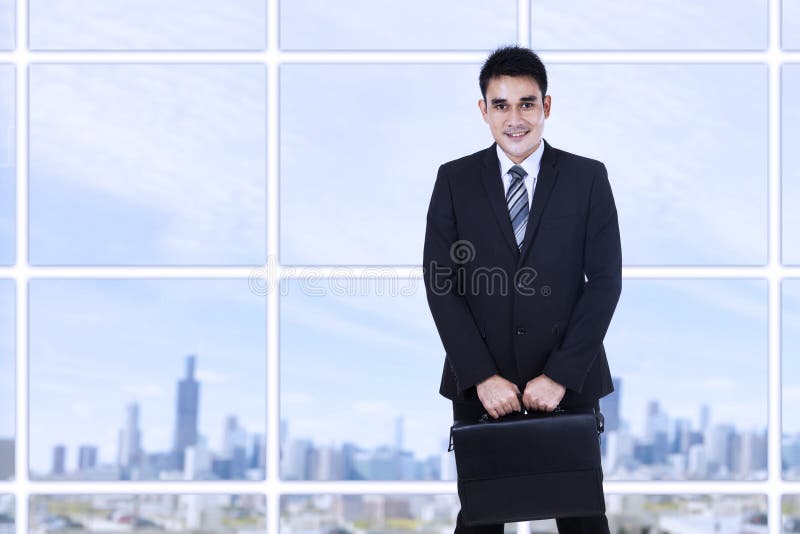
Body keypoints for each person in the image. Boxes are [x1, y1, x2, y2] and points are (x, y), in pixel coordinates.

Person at [422, 45, 622, 534]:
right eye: (501, 104)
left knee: (582, 520)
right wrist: (481, 376)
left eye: (527, 103)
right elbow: (440, 283)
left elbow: (605, 282)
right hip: (481, 384)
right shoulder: (454, 180)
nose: (516, 118)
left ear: (546, 107)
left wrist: (560, 375)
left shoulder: (587, 177)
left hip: (568, 383)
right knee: (481, 519)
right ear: (484, 110)